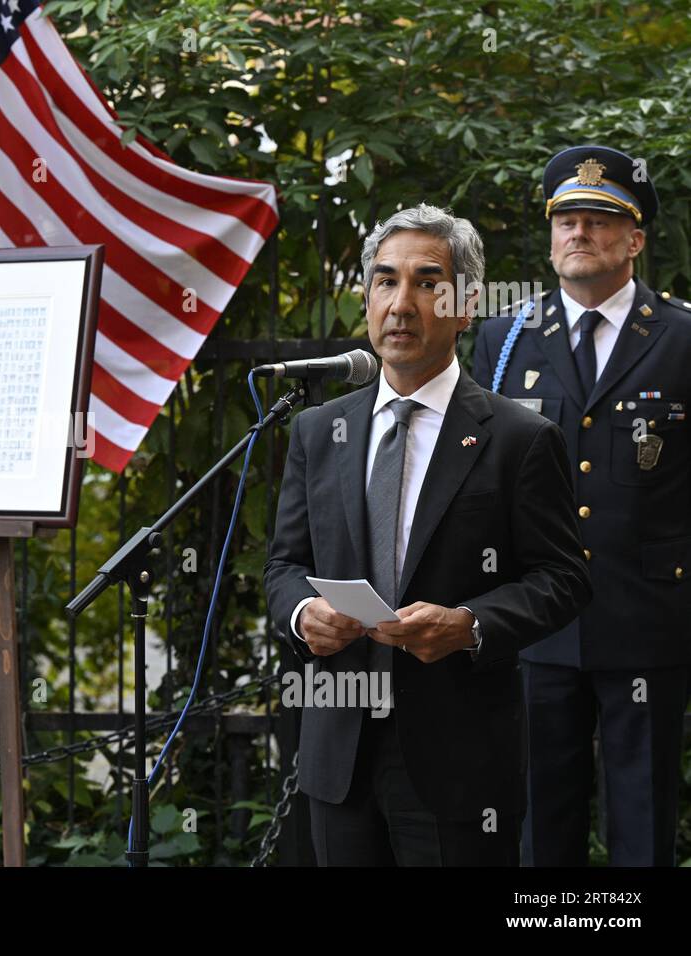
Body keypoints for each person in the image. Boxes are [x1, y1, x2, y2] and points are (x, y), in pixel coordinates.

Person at [264, 204, 591, 866]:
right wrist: (304, 614)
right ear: (366, 298)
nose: (401, 304)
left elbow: (564, 579)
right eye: (385, 282)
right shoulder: (318, 431)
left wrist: (470, 622)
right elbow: (283, 567)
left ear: (467, 305)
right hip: (340, 758)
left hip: (460, 762)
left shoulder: (521, 439)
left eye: (426, 282)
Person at [472, 145, 691, 866]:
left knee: (644, 821)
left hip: (649, 618)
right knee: (540, 823)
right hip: (535, 622)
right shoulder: (503, 340)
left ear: (635, 239)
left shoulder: (682, 337)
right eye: (566, 218)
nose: (579, 233)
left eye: (600, 220)